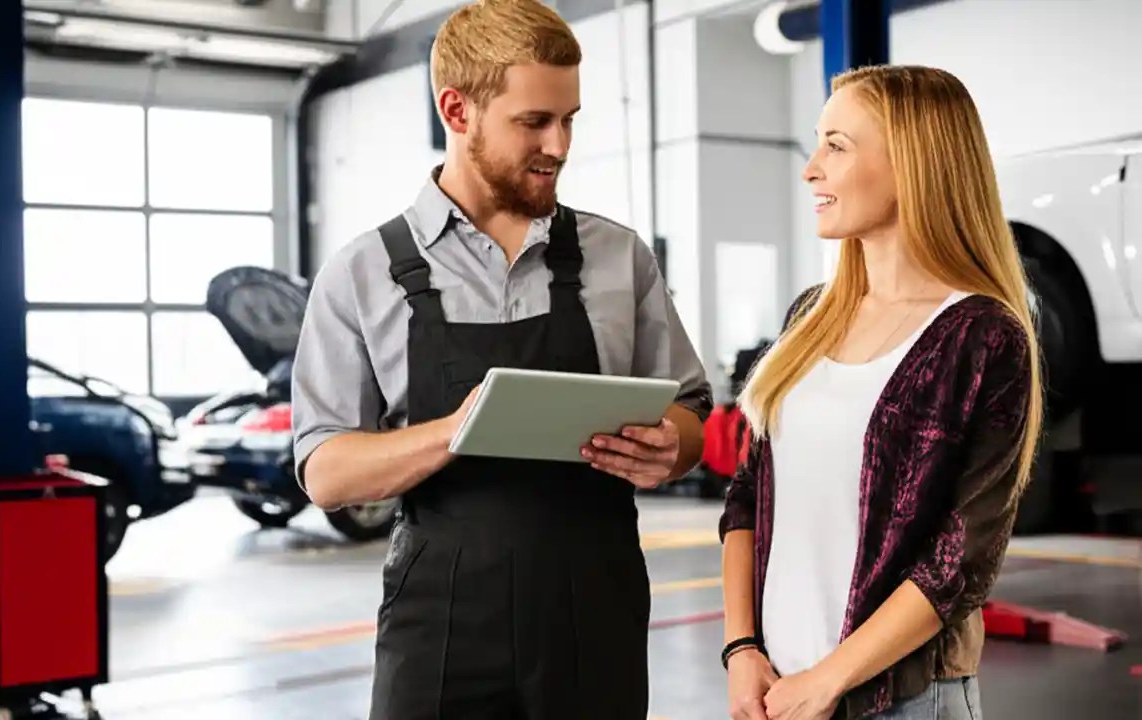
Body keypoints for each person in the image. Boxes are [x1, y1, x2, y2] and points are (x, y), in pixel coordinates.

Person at [290, 0, 713, 717]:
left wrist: (672, 447)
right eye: (534, 122)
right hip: (442, 622)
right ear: (457, 111)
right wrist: (465, 427)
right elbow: (326, 473)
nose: (560, 144)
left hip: (596, 611)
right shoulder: (363, 274)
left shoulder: (620, 258)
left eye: (570, 118)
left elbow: (692, 410)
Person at [718, 65, 1043, 720]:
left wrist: (830, 679)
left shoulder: (982, 337)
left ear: (914, 164)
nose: (811, 169)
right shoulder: (810, 317)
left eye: (836, 145)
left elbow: (959, 559)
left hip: (903, 702)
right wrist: (742, 647)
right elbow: (748, 494)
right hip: (778, 692)